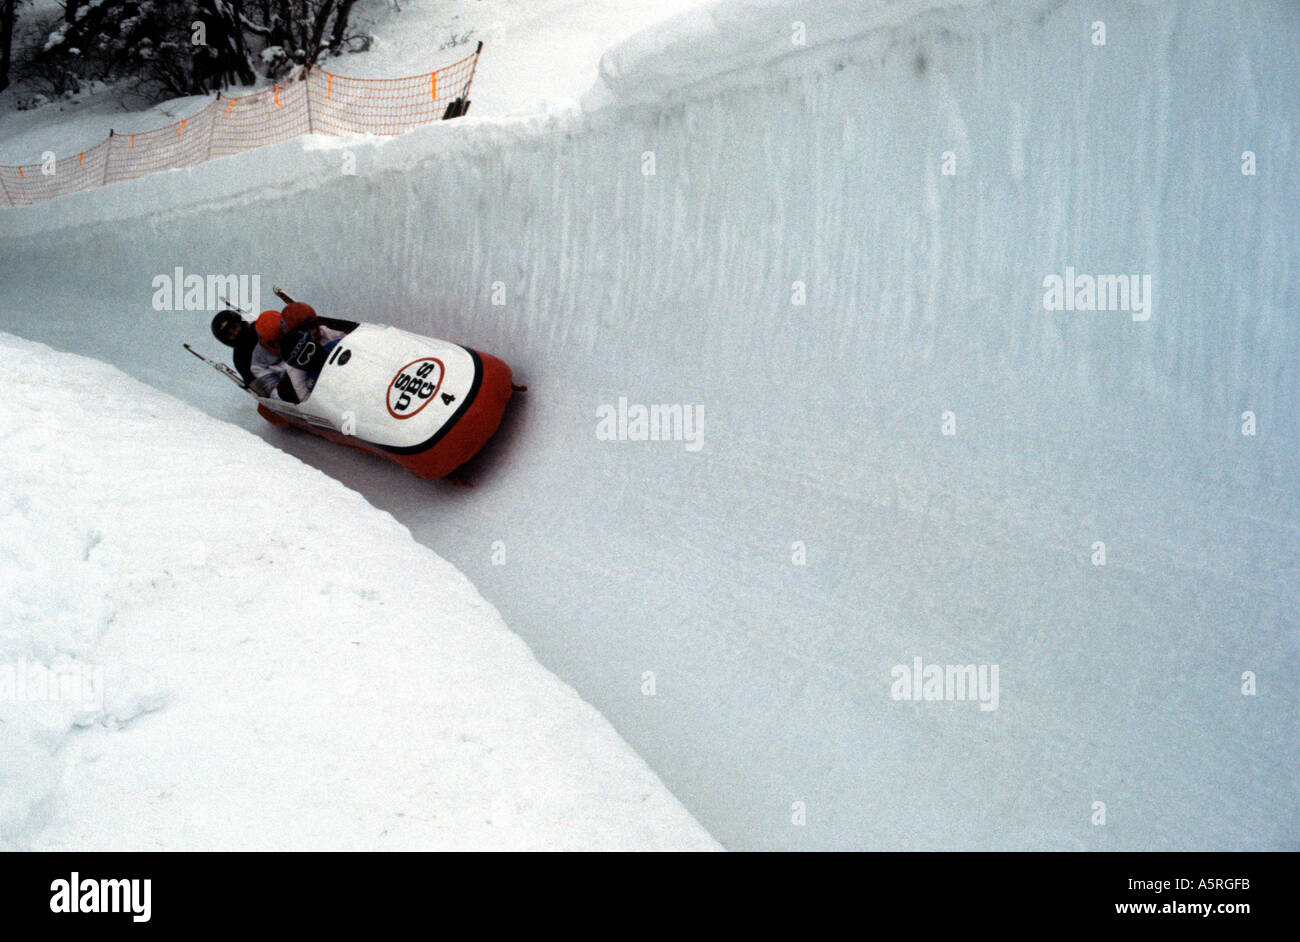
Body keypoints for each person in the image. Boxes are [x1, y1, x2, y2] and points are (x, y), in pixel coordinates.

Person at [210, 309, 259, 387]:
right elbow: (257, 387)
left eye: (235, 327)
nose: (236, 333)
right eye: (230, 334)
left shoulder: (261, 326)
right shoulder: (240, 360)